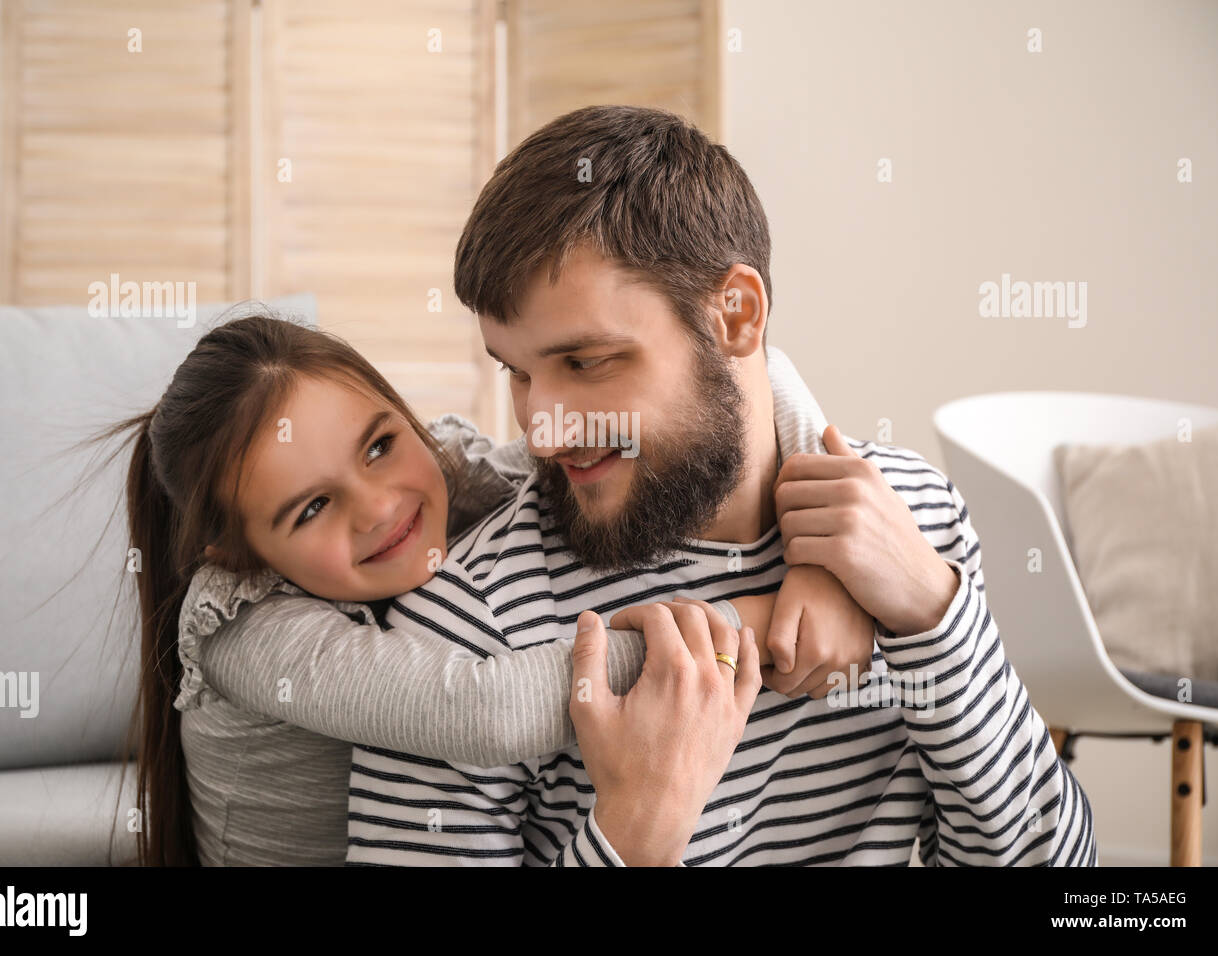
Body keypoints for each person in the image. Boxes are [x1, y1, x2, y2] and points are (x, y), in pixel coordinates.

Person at [346, 105, 1098, 866]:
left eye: (586, 363)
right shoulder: (467, 625)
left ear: (736, 316)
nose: (544, 429)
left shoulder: (912, 521)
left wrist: (938, 615)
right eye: (518, 372)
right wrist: (635, 832)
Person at [98, 311, 868, 865]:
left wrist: (823, 565)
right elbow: (483, 708)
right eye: (312, 507)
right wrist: (757, 621)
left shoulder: (468, 480)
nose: (381, 507)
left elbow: (760, 367)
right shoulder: (249, 633)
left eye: (378, 444)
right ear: (235, 549)